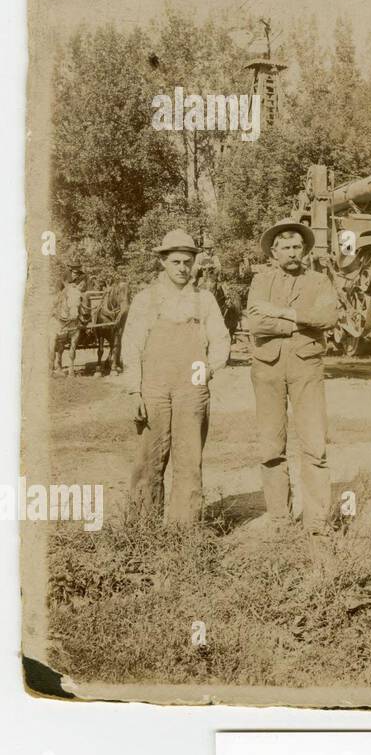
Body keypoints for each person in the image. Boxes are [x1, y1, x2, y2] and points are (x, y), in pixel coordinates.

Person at [120, 230, 230, 523]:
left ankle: (184, 530)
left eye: (188, 262)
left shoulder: (204, 300)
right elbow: (131, 346)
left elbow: (221, 339)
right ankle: (143, 529)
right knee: (148, 459)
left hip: (192, 388)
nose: (182, 268)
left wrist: (208, 369)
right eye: (176, 262)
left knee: (189, 459)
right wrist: (134, 391)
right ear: (163, 262)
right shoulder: (146, 299)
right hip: (153, 387)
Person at [243, 219, 339, 534]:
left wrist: (283, 313)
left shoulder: (320, 281)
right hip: (267, 369)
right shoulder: (261, 281)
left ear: (305, 250)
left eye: (297, 246)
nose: (292, 253)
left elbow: (326, 318)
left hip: (307, 367)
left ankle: (316, 522)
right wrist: (299, 324)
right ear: (274, 252)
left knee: (314, 444)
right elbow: (256, 325)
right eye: (285, 247)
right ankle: (279, 519)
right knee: (271, 446)